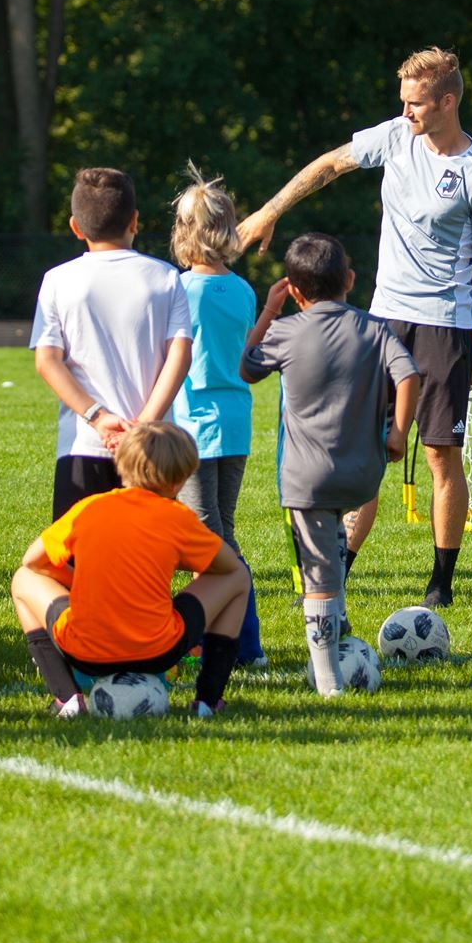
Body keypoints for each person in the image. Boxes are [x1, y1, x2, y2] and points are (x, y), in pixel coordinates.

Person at [238, 48, 472, 609]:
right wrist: (269, 211)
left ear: (447, 102)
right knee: (360, 443)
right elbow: (329, 165)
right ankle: (340, 565)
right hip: (384, 317)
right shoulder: (395, 136)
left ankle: (441, 581)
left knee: (440, 456)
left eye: (415, 104)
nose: (405, 112)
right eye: (403, 102)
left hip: (445, 327)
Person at [241, 233, 420, 694]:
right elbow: (409, 375)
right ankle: (339, 632)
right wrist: (397, 435)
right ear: (350, 280)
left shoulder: (285, 331)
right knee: (336, 544)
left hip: (309, 480)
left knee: (318, 569)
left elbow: (247, 367)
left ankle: (328, 680)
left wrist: (267, 313)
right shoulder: (375, 328)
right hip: (362, 474)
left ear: (296, 292)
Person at [11, 421, 250, 718]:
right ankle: (208, 700)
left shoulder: (89, 507)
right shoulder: (177, 517)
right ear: (179, 481)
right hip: (158, 651)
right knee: (239, 575)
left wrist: (77, 582)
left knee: (23, 579)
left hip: (85, 652)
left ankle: (67, 697)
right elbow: (227, 566)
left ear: (121, 464)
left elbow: (33, 562)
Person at [30, 167, 193, 519]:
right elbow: (179, 356)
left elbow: (47, 361)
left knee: (78, 561)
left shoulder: (58, 280)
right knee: (148, 562)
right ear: (134, 221)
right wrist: (145, 423)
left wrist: (98, 417)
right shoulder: (165, 276)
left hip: (84, 443)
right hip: (152, 451)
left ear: (75, 226)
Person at [167, 165, 265, 666]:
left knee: (209, 542)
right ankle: (223, 637)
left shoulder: (180, 290)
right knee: (222, 530)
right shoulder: (243, 290)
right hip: (236, 421)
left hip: (194, 426)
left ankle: (242, 642)